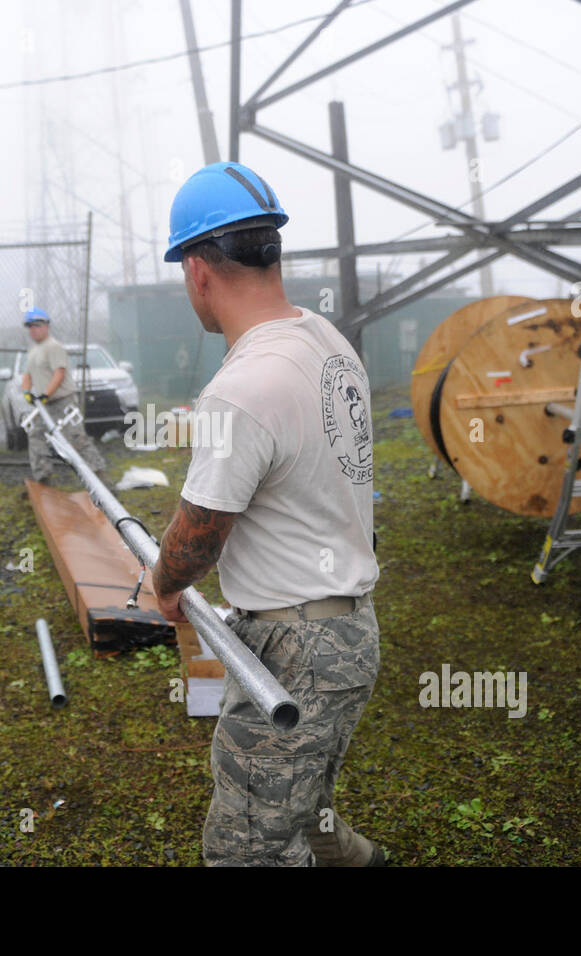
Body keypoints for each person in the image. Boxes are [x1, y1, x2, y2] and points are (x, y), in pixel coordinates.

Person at [149, 161, 384, 867]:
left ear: (197, 270)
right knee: (301, 802)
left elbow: (198, 537)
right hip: (347, 628)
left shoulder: (244, 385)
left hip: (299, 647)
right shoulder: (325, 341)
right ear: (271, 249)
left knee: (247, 844)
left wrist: (163, 583)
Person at [19, 308, 110, 490]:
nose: (33, 330)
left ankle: (102, 480)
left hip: (63, 402)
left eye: (37, 325)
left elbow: (59, 373)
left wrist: (46, 393)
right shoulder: (33, 350)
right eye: (30, 326)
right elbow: (27, 374)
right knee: (36, 436)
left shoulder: (53, 347)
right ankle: (43, 479)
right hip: (44, 405)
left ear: (46, 326)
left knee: (76, 439)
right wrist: (27, 392)